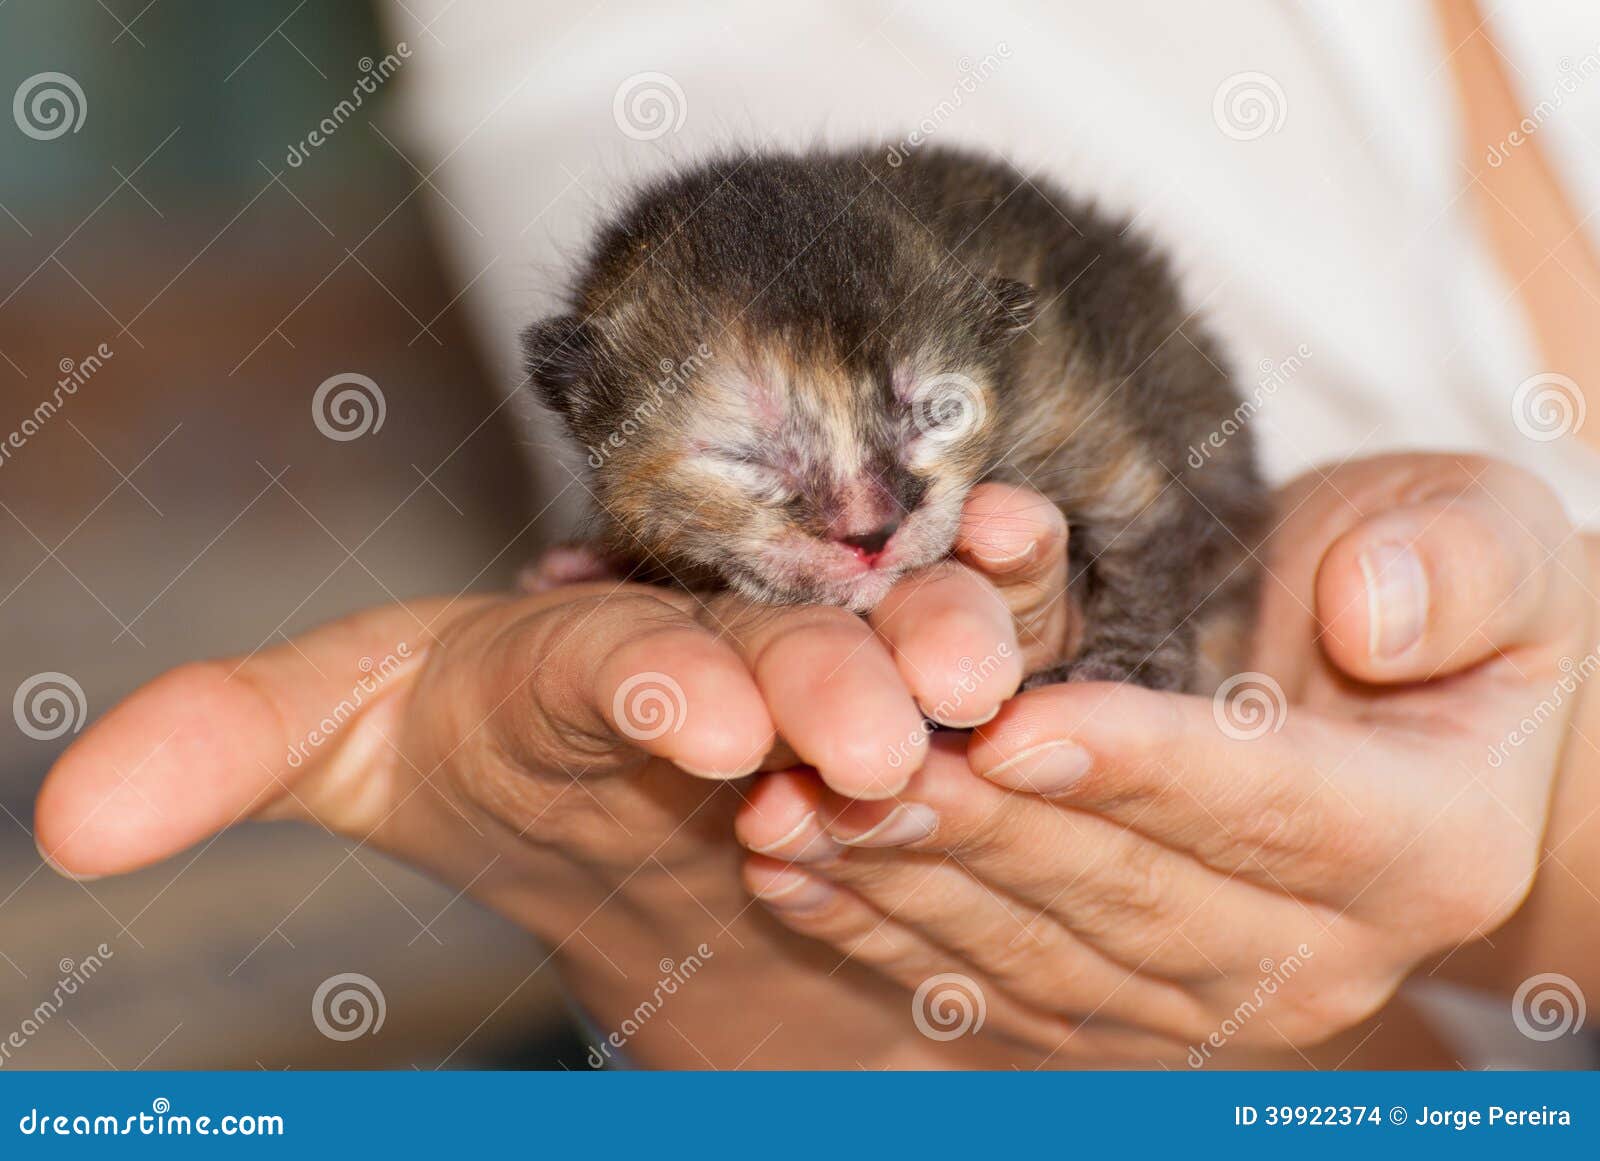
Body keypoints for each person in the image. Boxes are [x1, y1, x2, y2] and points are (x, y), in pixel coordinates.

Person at [35, 0, 1600, 1066]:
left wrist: (1187, 627)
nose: (867, 521)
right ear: (592, 417)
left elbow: (1144, 486)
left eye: (922, 429)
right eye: (759, 459)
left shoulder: (1047, 364)